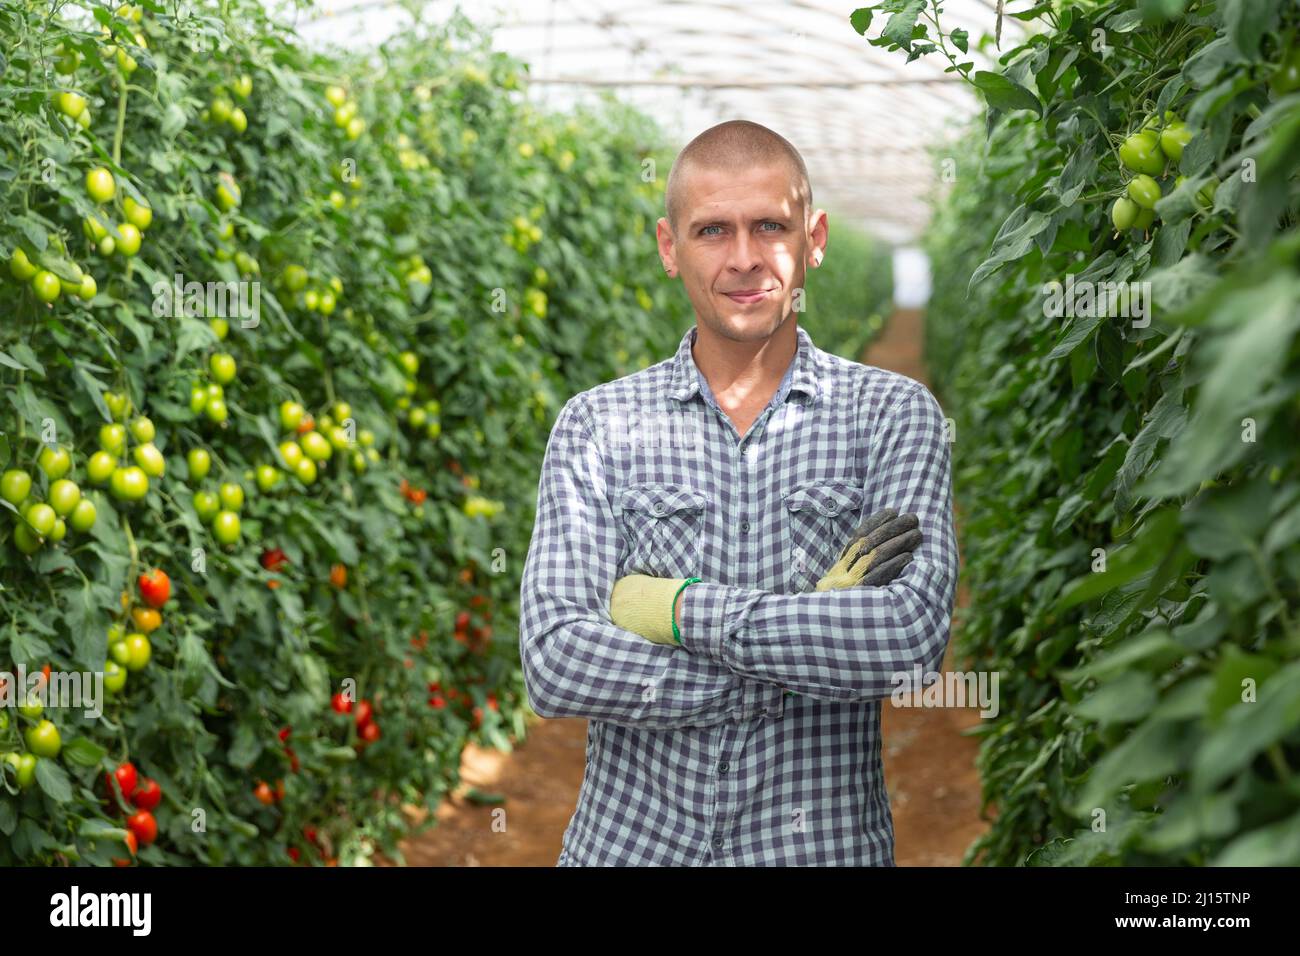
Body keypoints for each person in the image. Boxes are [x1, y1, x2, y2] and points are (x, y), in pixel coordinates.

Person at [518, 119, 958, 865]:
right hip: (629, 849)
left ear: (813, 239)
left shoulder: (891, 414)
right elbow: (556, 658)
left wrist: (678, 608)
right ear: (669, 248)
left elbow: (907, 641)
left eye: (771, 227)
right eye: (713, 230)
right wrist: (805, 649)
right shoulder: (599, 424)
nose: (746, 259)